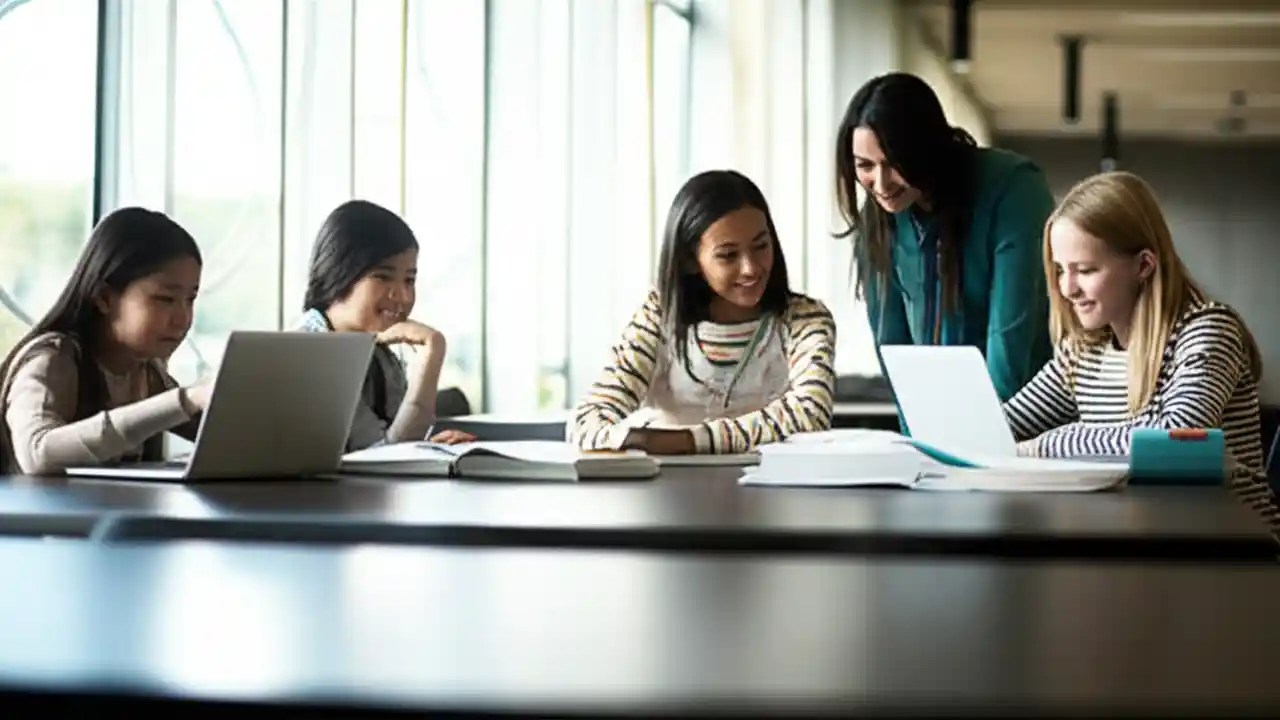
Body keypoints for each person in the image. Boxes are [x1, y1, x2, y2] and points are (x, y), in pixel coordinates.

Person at [1003, 171, 1276, 525]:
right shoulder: (1083, 349)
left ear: (1143, 265)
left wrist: (1047, 445)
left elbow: (1175, 437)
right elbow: (1005, 426)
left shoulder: (1208, 330)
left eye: (1085, 270)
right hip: (1142, 533)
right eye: (1059, 270)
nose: (1068, 289)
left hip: (1235, 549)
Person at [570, 170, 836, 455]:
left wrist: (684, 441)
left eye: (761, 246)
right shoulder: (659, 315)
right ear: (689, 261)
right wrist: (621, 437)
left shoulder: (805, 318)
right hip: (668, 492)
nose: (751, 268)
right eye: (728, 255)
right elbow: (587, 419)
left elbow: (811, 415)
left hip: (774, 491)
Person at [835, 72, 1054, 405]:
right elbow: (893, 348)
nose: (880, 184)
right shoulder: (879, 216)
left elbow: (1010, 338)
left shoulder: (1013, 187)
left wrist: (989, 439)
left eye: (893, 164)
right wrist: (922, 437)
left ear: (926, 149)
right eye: (864, 166)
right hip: (936, 423)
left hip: (1025, 419)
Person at [0, 208, 209, 474]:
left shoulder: (146, 373)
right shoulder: (53, 358)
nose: (183, 318)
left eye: (190, 299)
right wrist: (185, 400)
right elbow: (38, 453)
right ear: (105, 298)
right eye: (165, 299)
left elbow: (228, 440)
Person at [298, 200, 471, 451]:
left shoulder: (379, 353)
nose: (402, 296)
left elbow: (396, 445)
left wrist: (429, 445)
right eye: (383, 276)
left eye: (409, 280)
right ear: (339, 272)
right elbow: (384, 455)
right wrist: (433, 352)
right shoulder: (309, 353)